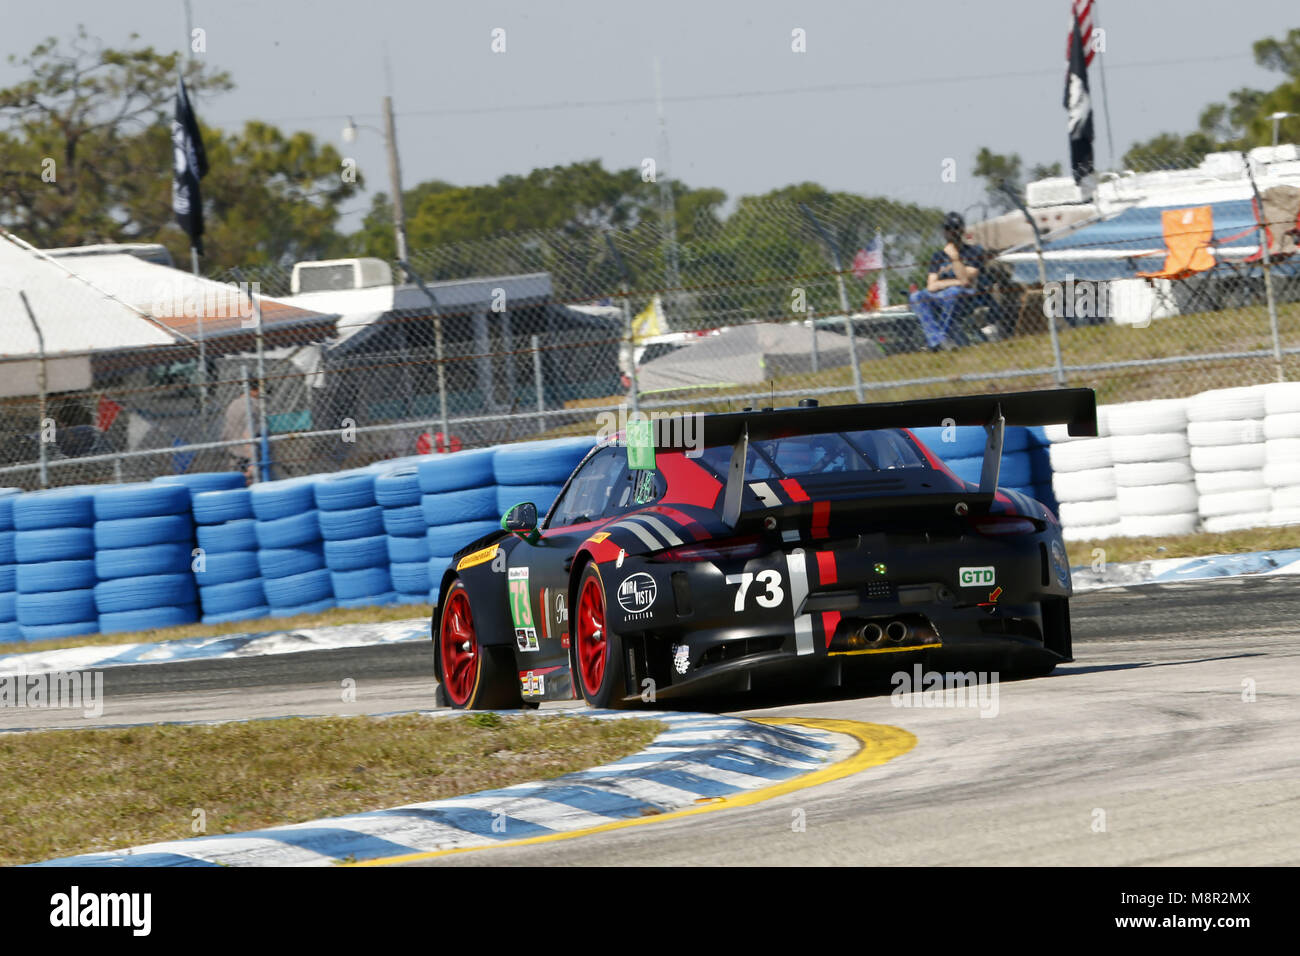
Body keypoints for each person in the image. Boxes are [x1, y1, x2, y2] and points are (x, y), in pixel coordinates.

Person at [909, 212, 990, 350]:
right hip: (940, 295)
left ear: (962, 230)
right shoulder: (938, 256)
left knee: (952, 292)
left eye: (955, 227)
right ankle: (937, 341)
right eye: (947, 228)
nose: (951, 231)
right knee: (916, 296)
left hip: (966, 296)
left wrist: (954, 258)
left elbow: (965, 281)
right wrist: (954, 282)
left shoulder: (974, 252)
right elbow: (931, 286)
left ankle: (943, 338)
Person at [221, 383, 261, 485]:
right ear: (254, 390)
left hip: (234, 451)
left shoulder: (232, 404)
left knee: (236, 482)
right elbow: (249, 433)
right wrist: (253, 461)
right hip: (250, 453)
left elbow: (226, 431)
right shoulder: (254, 404)